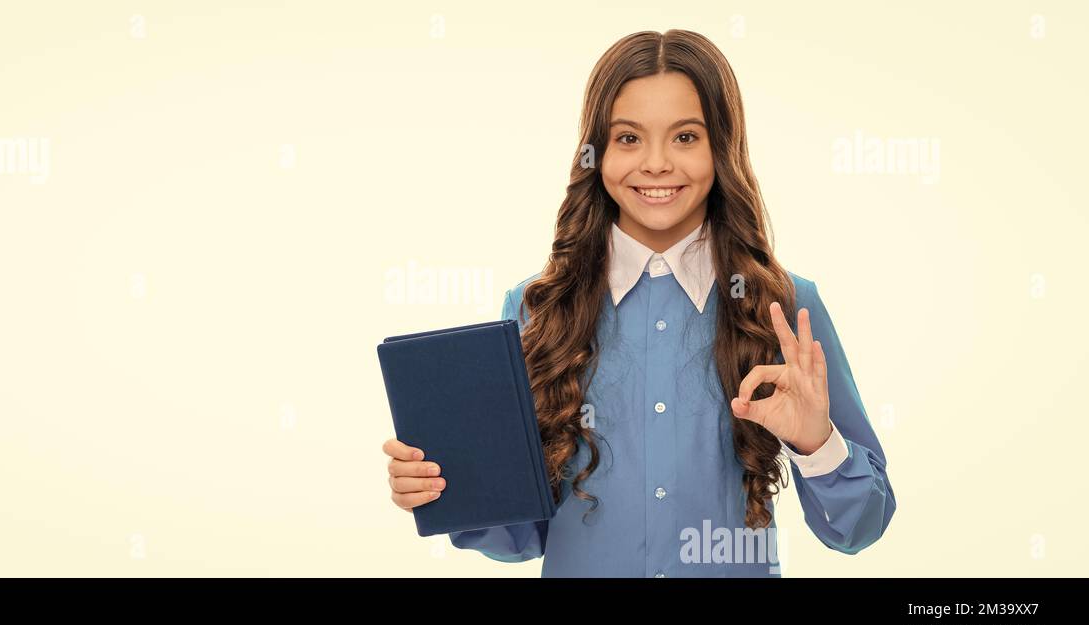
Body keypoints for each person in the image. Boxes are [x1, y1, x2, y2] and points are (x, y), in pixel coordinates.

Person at [383, 29, 894, 577]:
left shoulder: (783, 305)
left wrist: (816, 443)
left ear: (721, 148)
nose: (655, 164)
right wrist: (448, 487)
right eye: (628, 138)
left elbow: (859, 527)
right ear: (596, 152)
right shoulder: (537, 307)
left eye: (685, 137)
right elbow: (522, 537)